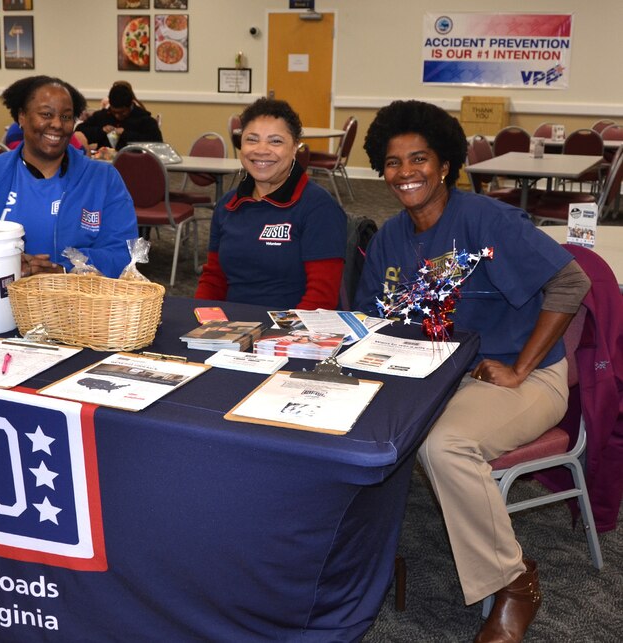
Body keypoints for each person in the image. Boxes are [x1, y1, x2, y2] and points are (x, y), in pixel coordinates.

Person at [354, 100, 591, 643]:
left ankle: (514, 582)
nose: (406, 173)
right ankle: (358, 559)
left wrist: (521, 368)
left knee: (445, 446)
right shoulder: (391, 237)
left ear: (444, 165)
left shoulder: (486, 219)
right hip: (432, 373)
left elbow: (572, 284)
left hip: (521, 377)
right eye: (393, 162)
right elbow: (375, 319)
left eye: (420, 159)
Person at [0, 76, 138, 278]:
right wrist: (5, 262)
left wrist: (63, 270)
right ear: (21, 117)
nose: (57, 124)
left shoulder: (103, 179)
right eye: (46, 114)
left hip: (80, 304)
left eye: (66, 117)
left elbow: (123, 253)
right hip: (0, 302)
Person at [194, 98, 347, 310]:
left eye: (275, 141)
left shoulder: (318, 207)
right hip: (228, 332)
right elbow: (214, 279)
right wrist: (201, 319)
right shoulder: (227, 206)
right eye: (252, 140)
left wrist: (277, 340)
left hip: (290, 334)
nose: (261, 150)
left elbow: (321, 300)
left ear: (295, 147)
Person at [76, 82, 162, 151]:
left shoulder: (144, 119)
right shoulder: (102, 116)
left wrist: (125, 134)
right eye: (114, 112)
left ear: (130, 106)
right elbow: (79, 133)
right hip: (104, 163)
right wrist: (102, 131)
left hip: (135, 162)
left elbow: (157, 143)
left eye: (122, 113)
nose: (117, 116)